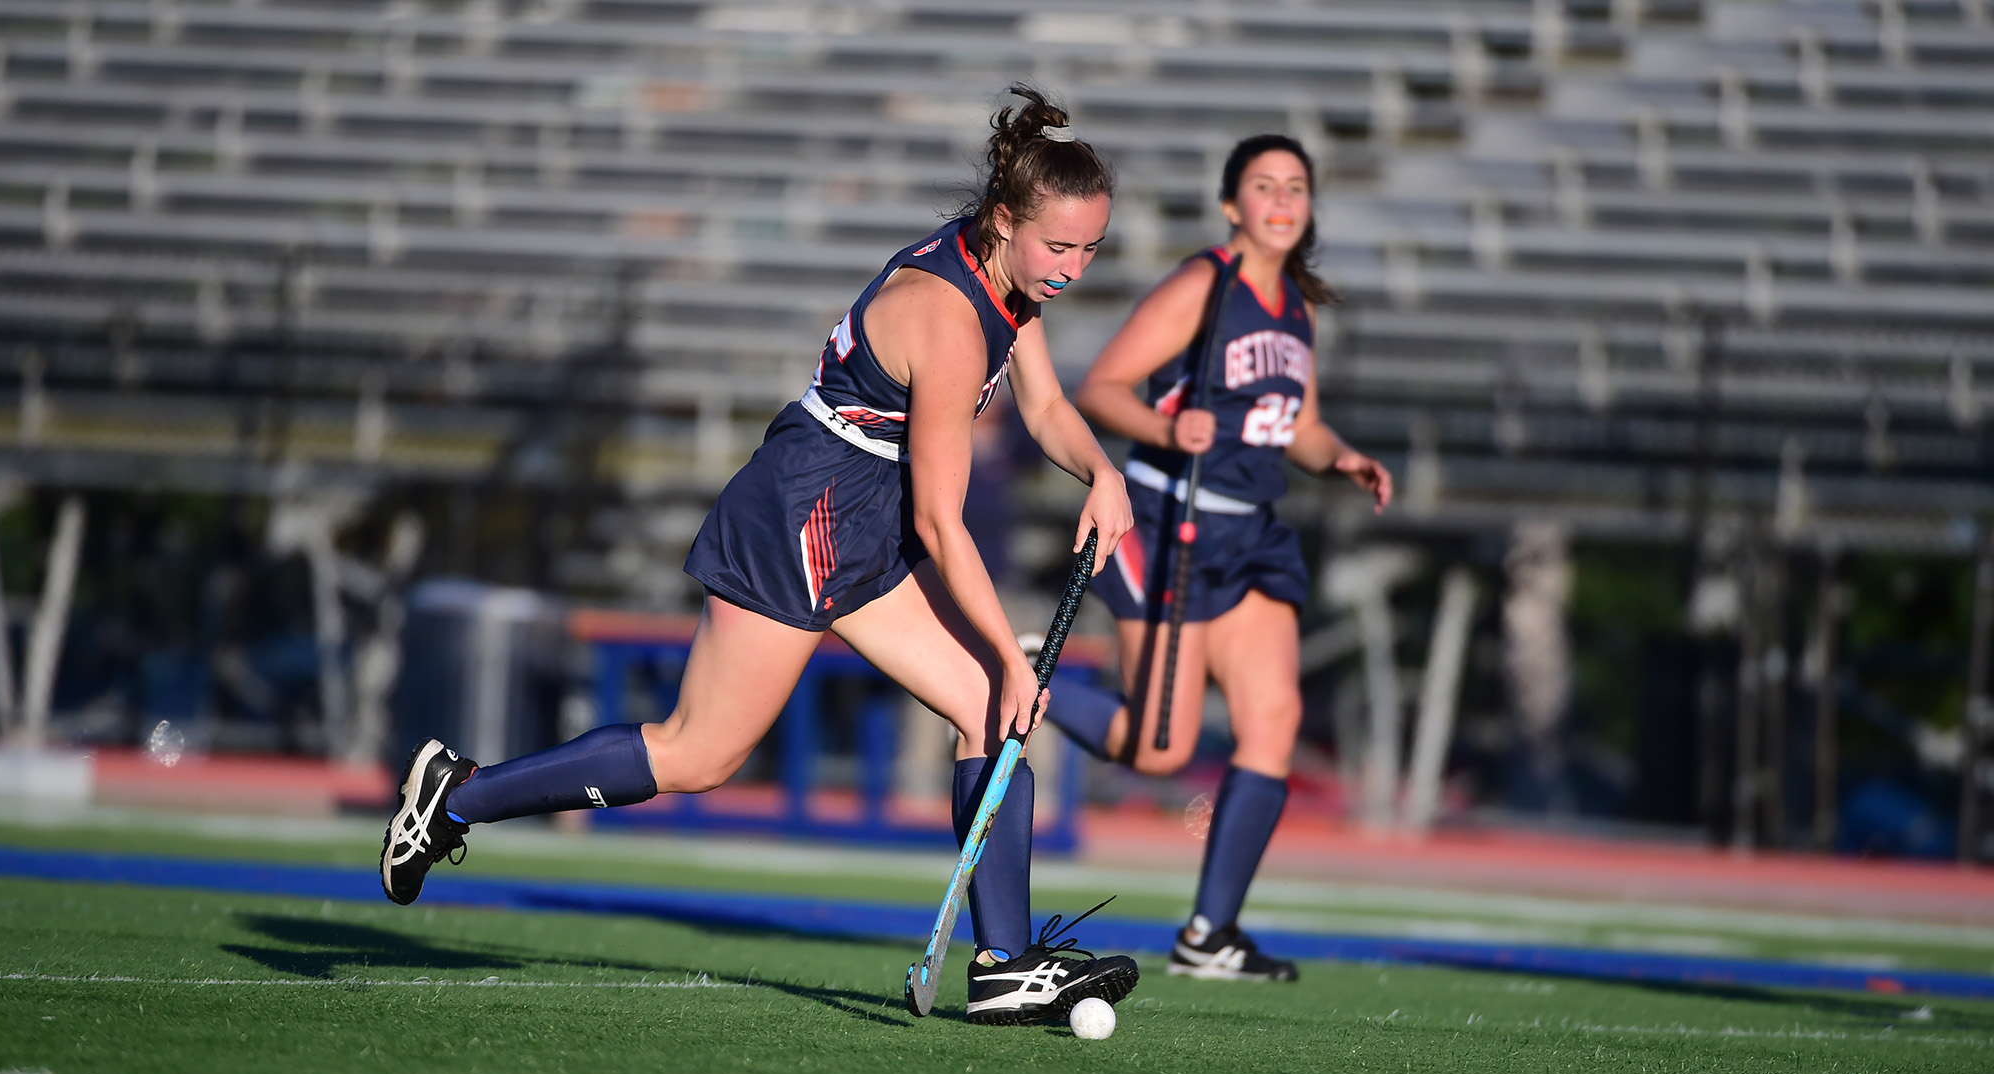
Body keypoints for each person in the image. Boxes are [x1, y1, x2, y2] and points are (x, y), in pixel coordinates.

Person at [381, 85, 1140, 1026]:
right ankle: (455, 796)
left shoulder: (1008, 287)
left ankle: (1006, 962)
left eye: (1089, 250)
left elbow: (1048, 411)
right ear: (1003, 221)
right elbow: (946, 524)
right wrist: (1002, 646)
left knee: (988, 709)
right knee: (700, 753)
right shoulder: (948, 318)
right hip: (804, 513)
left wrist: (1101, 472)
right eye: (1057, 247)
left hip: (862, 515)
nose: (1071, 269)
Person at [1043, 134, 1392, 982]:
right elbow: (1101, 388)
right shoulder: (1207, 282)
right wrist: (1169, 428)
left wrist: (1339, 455)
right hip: (1172, 522)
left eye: (1297, 187)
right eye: (1264, 186)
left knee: (1271, 720)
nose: (1282, 200)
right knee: (1160, 751)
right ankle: (1026, 680)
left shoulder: (1297, 305)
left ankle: (1210, 931)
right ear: (1233, 204)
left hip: (1254, 535)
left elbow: (1296, 425)